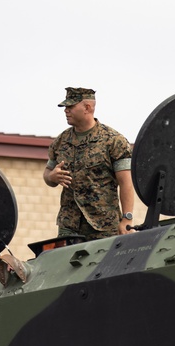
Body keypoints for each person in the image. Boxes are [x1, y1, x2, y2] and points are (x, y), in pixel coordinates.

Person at [43, 87, 135, 240]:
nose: (66, 110)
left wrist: (127, 218)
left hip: (103, 227)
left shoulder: (113, 141)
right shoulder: (60, 142)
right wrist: (51, 177)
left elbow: (126, 183)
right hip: (69, 225)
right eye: (65, 107)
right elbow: (47, 174)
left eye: (70, 106)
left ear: (87, 107)